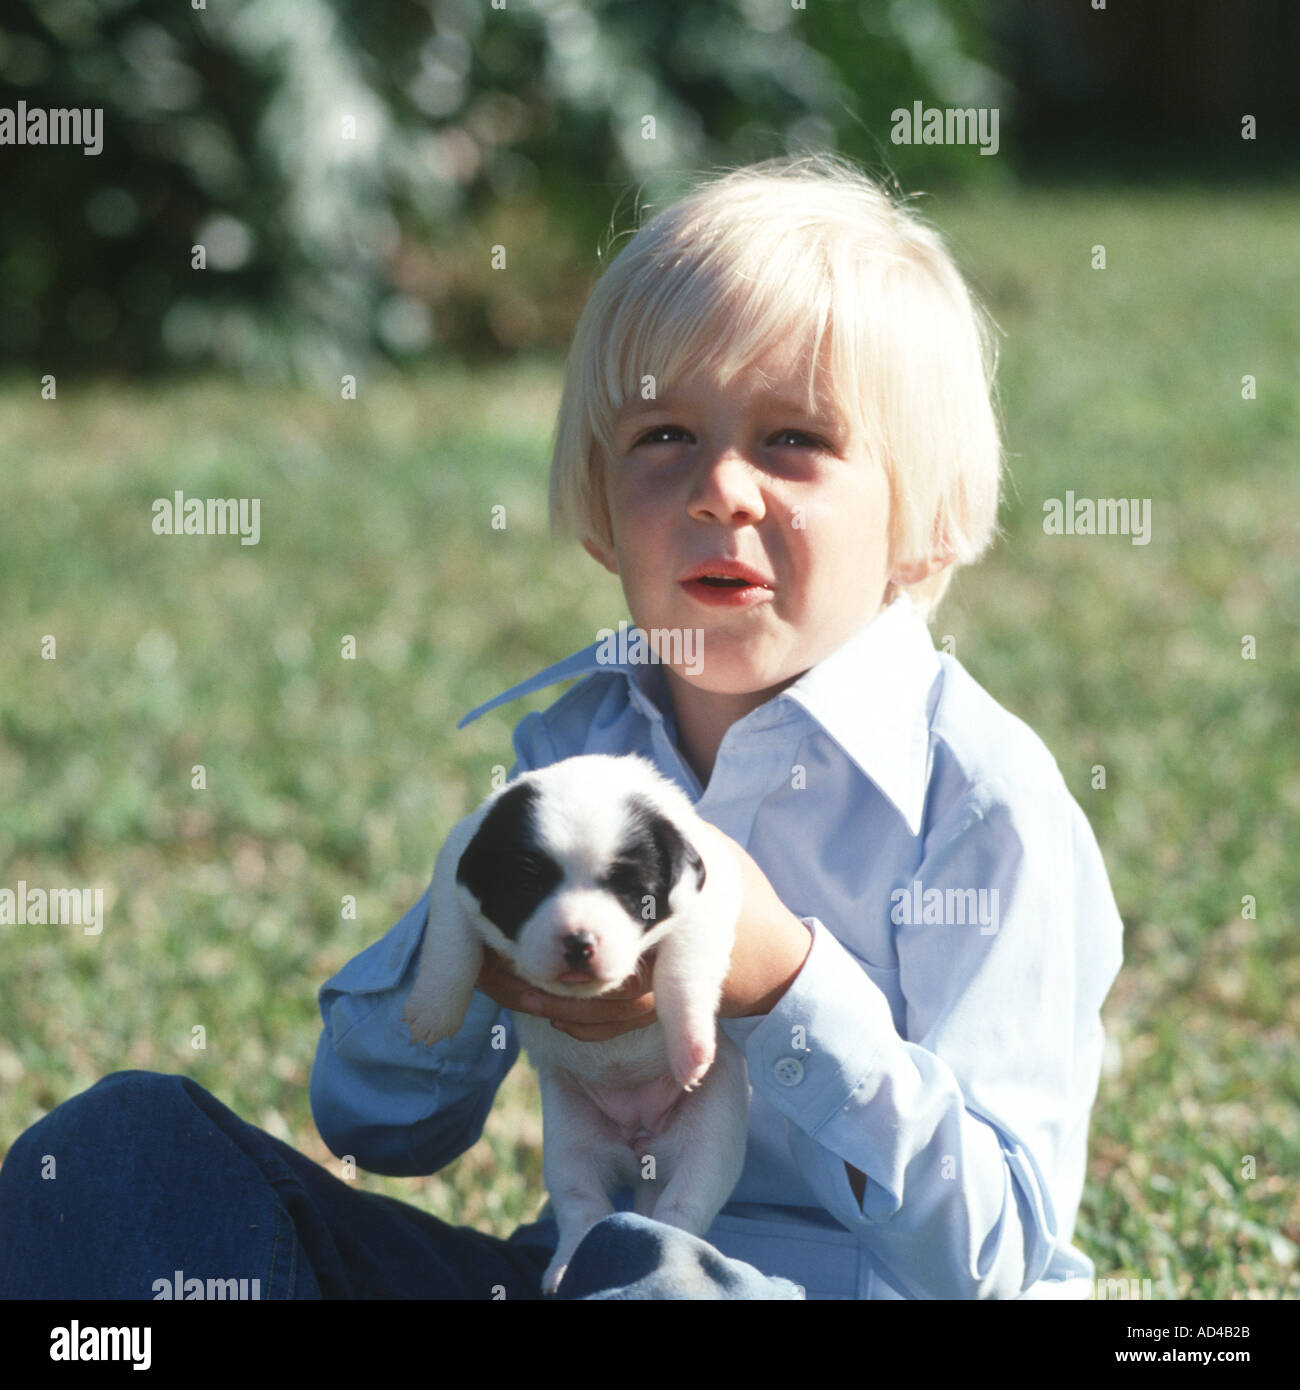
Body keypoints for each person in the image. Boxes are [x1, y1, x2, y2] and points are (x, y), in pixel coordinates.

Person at [0, 152, 1123, 1300]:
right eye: (662, 437)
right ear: (601, 514)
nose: (719, 490)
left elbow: (993, 1259)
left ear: (922, 520)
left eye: (793, 439)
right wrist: (470, 936)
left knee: (656, 1280)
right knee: (108, 1158)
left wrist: (784, 986)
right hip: (569, 1280)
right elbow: (376, 1123)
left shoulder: (982, 803)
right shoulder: (581, 753)